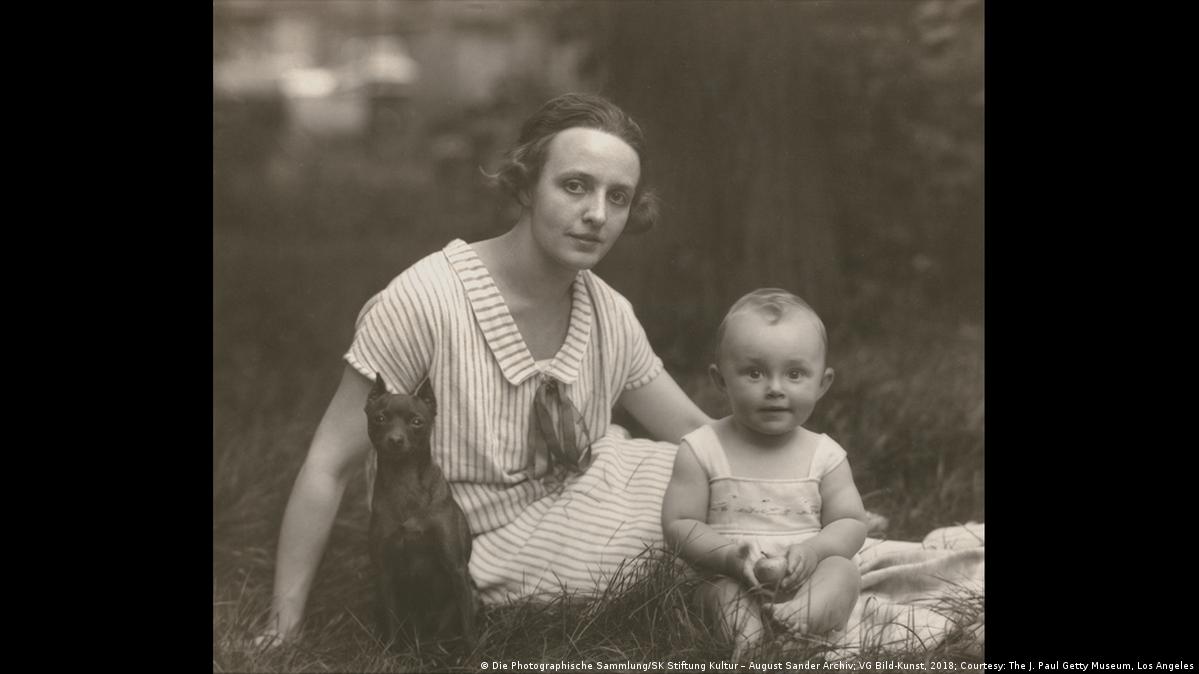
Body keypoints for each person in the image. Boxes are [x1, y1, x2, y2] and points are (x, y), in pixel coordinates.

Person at [256, 93, 712, 645]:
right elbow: (328, 465)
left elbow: (691, 431)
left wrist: (801, 469)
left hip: (592, 483)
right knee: (703, 523)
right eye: (574, 186)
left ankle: (823, 596)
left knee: (736, 486)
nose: (597, 214)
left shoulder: (606, 310)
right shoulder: (426, 301)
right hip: (478, 537)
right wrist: (282, 629)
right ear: (523, 186)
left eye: (618, 197)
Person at [661, 288, 868, 659]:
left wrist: (815, 550)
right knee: (717, 593)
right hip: (730, 576)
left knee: (843, 572)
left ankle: (800, 619)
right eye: (754, 373)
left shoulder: (826, 455)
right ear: (721, 379)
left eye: (794, 374)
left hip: (803, 577)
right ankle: (750, 639)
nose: (775, 389)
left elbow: (851, 521)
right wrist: (727, 557)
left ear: (822, 383)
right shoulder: (701, 449)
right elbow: (679, 523)